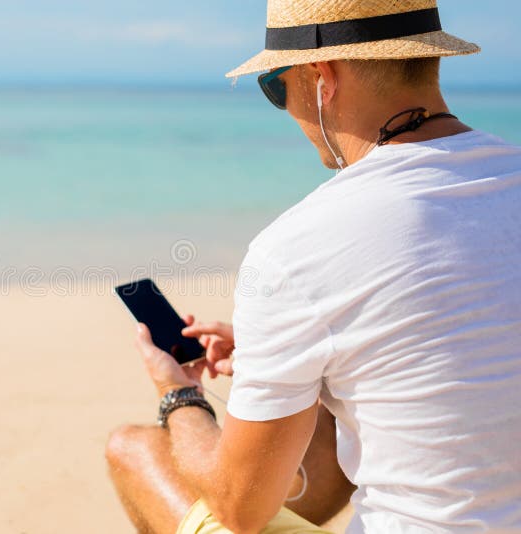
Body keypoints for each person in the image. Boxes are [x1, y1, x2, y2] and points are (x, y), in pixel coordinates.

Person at [105, 0, 521, 532]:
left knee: (134, 450)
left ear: (322, 76)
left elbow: (237, 509)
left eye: (276, 87)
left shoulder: (300, 246)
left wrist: (178, 394)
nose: (285, 109)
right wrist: (280, 351)